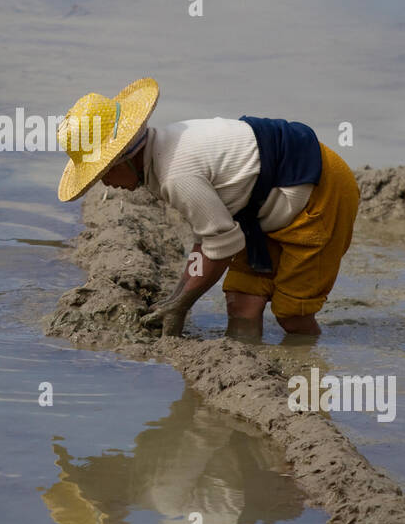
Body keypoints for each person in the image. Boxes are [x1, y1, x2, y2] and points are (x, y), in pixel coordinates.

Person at [56, 77, 359, 340]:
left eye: (103, 171)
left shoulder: (176, 174)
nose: (105, 183)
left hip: (319, 189)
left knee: (292, 313)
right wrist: (173, 298)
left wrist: (182, 305)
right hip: (258, 204)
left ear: (125, 156)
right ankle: (248, 369)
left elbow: (221, 247)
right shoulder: (159, 154)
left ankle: (310, 363)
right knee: (242, 302)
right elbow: (208, 238)